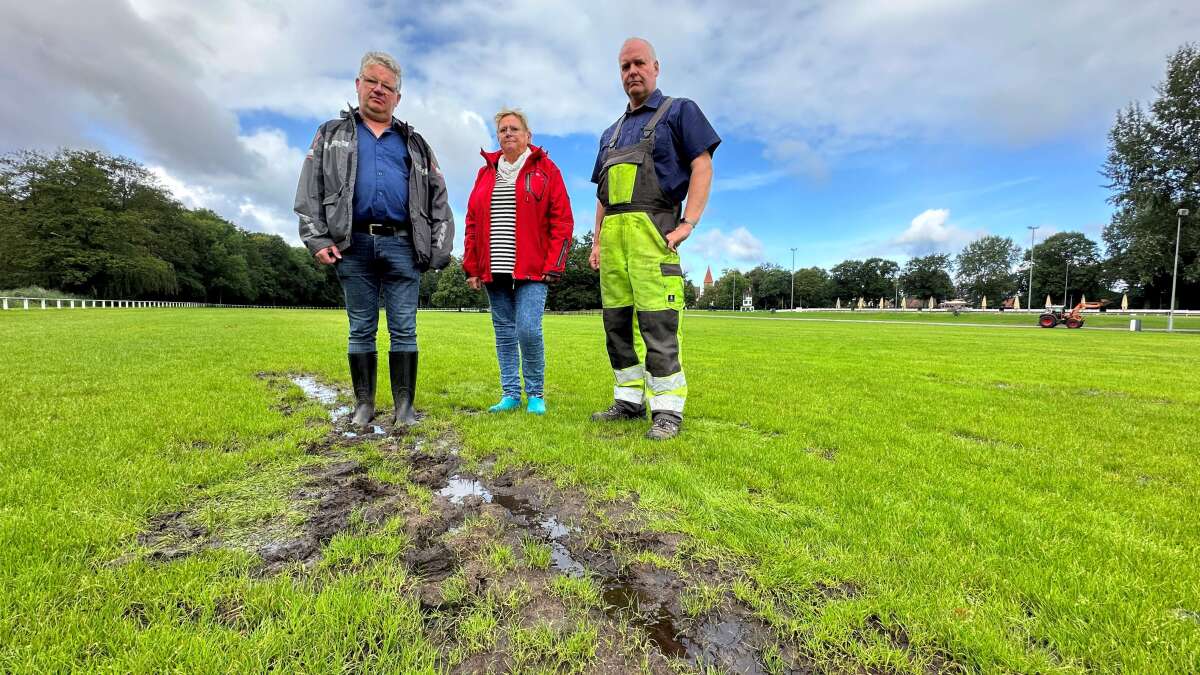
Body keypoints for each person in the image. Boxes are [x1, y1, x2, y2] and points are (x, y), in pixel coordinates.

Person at [294, 51, 454, 430]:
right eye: (372, 82)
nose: (379, 90)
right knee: (361, 328)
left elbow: (439, 197)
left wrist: (438, 248)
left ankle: (405, 408)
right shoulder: (331, 134)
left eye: (388, 86)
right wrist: (316, 238)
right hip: (352, 244)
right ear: (358, 85)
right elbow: (310, 189)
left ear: (398, 96)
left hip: (404, 245)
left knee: (404, 328)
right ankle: (364, 405)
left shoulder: (415, 144)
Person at [588, 37, 719, 440]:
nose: (632, 72)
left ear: (656, 67)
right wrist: (597, 242)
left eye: (639, 63)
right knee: (616, 327)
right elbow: (602, 196)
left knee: (658, 326)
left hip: (653, 240)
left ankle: (667, 410)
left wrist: (688, 223)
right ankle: (628, 401)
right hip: (614, 247)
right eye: (625, 66)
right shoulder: (610, 134)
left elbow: (702, 165)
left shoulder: (679, 111)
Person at [464, 109, 573, 415]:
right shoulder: (485, 173)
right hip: (494, 266)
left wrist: (555, 264)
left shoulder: (547, 170)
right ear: (498, 136)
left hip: (533, 268)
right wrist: (472, 267)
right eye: (503, 130)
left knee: (528, 329)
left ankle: (535, 393)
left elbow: (562, 220)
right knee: (504, 332)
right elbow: (472, 222)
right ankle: (510, 393)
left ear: (528, 135)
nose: (508, 133)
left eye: (514, 128)